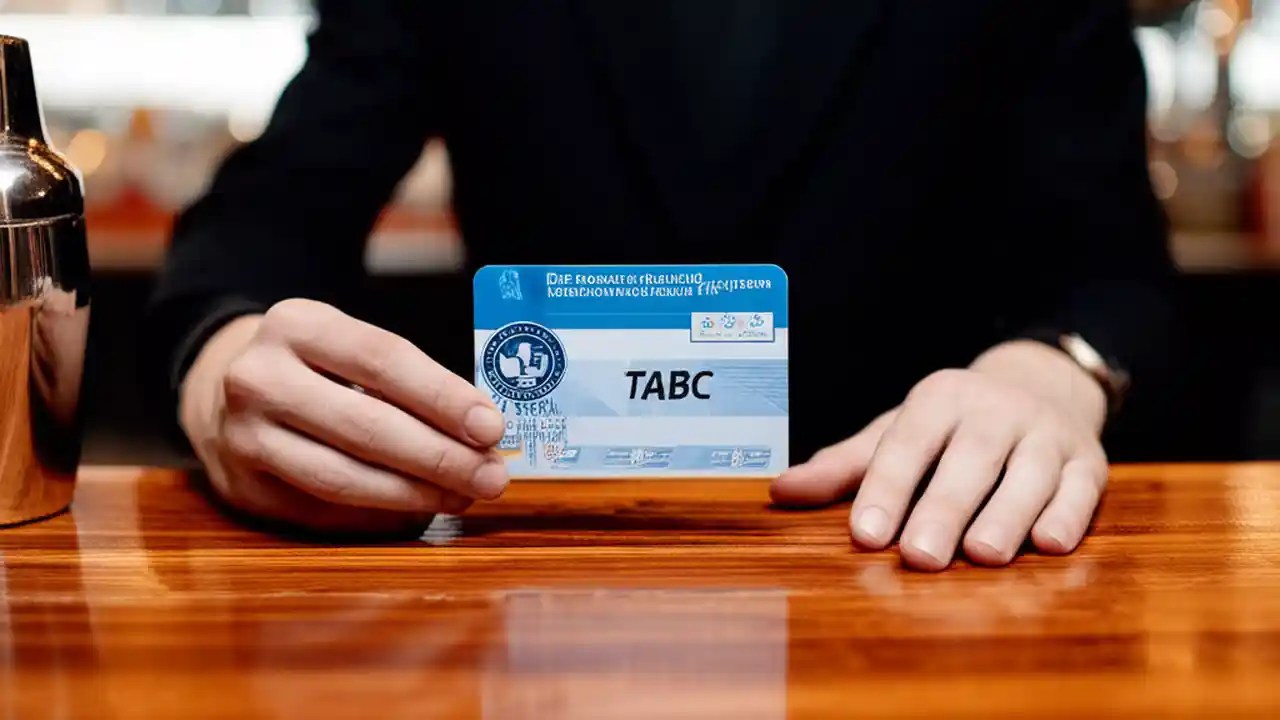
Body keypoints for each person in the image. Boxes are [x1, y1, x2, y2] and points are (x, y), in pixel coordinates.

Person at [145, 1, 1173, 571]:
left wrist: (1052, 375)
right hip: (548, 581)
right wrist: (227, 370)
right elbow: (262, 221)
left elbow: (1113, 266)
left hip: (913, 556)